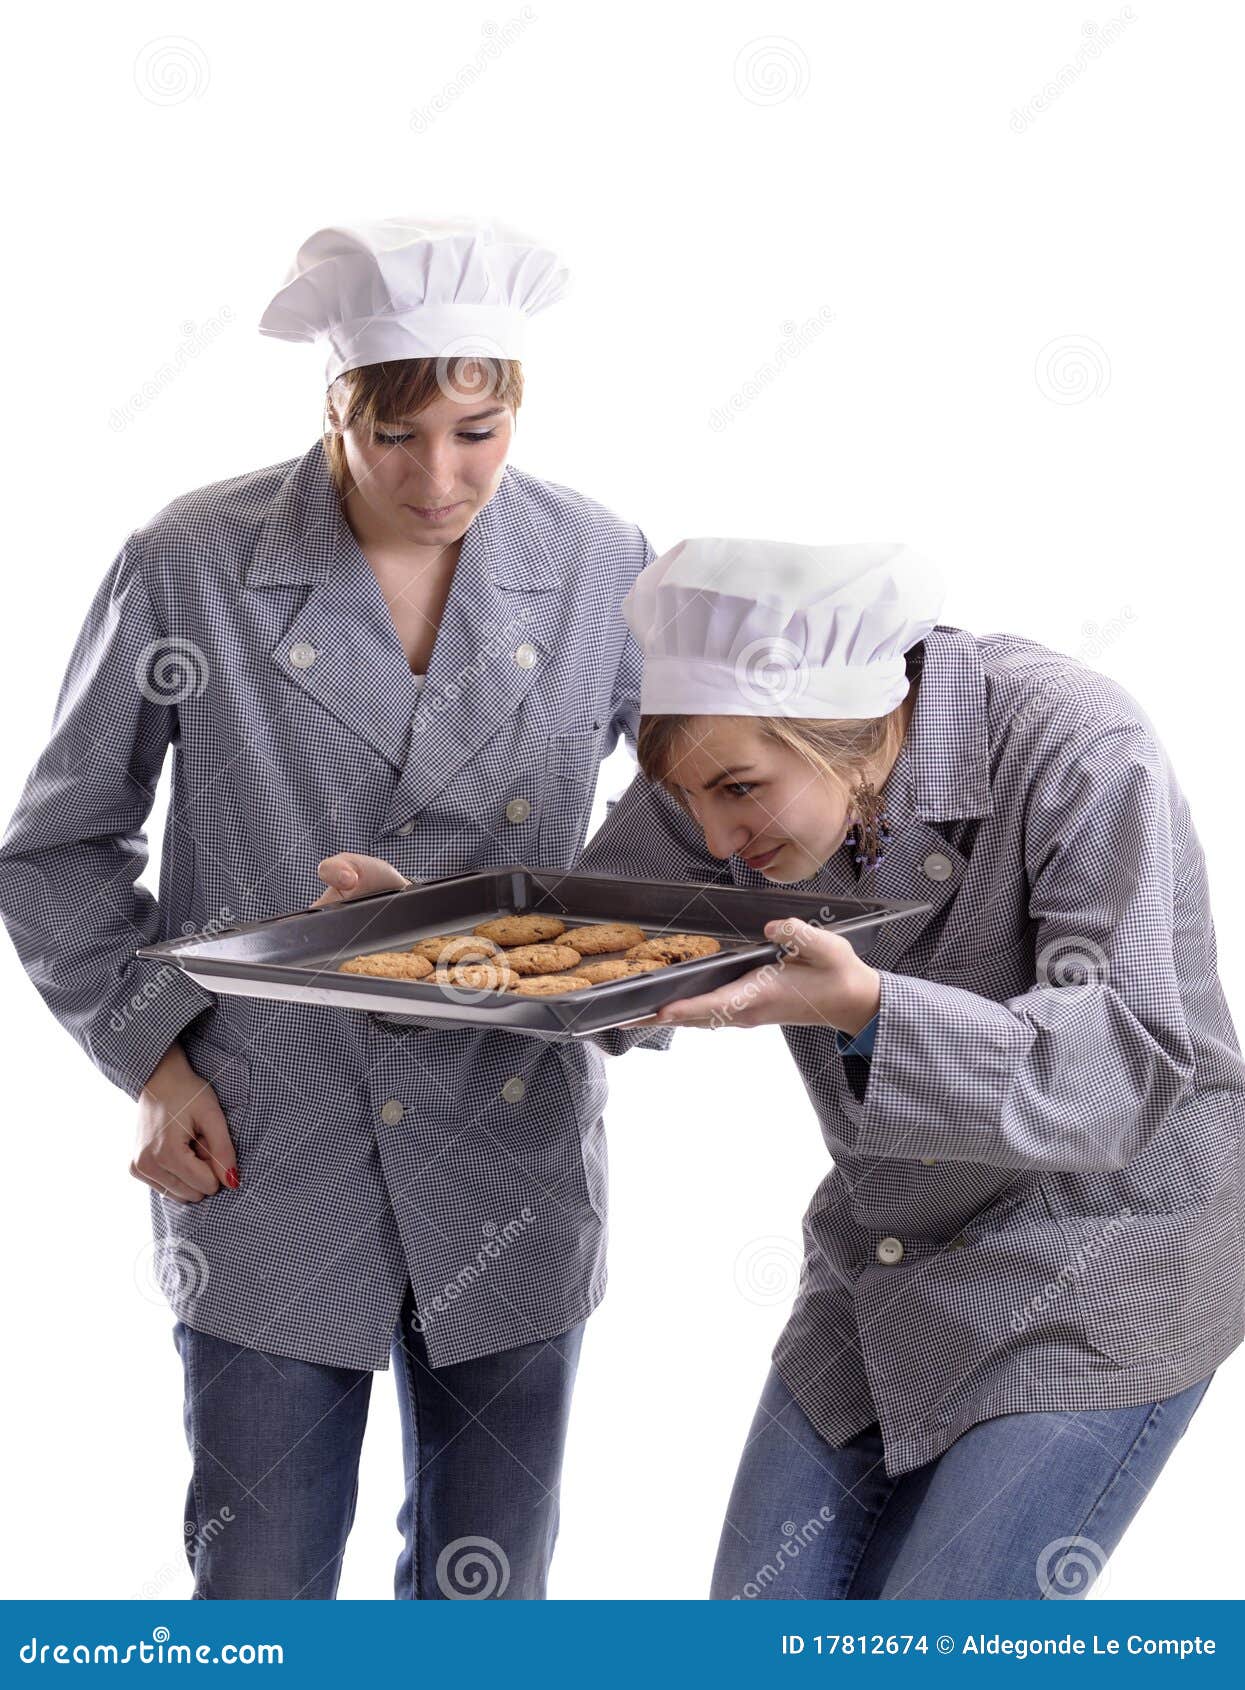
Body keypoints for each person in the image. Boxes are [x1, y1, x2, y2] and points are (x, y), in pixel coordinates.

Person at [0, 217, 667, 1600]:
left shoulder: (605, 559)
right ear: (335, 408)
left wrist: (617, 964)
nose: (440, 478)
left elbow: (670, 823)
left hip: (511, 1134)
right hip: (269, 1139)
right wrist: (152, 1058)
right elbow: (57, 845)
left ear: (516, 408)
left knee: (489, 1597)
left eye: (477, 434)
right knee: (259, 1586)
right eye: (397, 437)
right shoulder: (189, 557)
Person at [582, 536, 1241, 1599]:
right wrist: (432, 923)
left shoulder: (1076, 741)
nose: (713, 835)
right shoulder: (722, 766)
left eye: (739, 791)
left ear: (848, 734)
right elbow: (588, 937)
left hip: (1106, 1246)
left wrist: (870, 1008)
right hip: (889, 1257)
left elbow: (1120, 1058)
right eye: (688, 798)